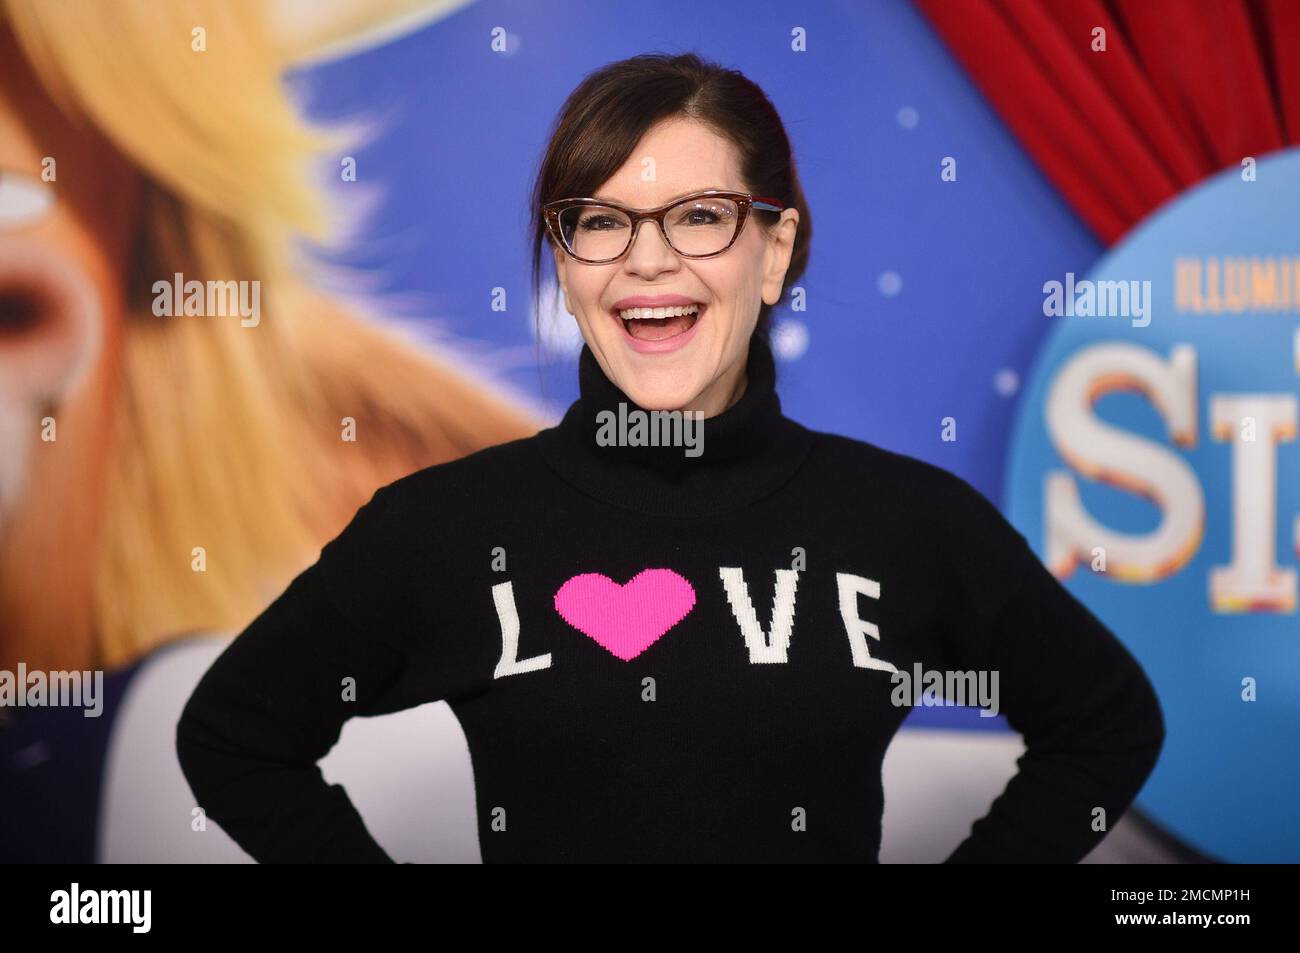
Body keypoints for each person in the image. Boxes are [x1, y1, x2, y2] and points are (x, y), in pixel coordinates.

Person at [176, 51, 1165, 863]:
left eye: (699, 216)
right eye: (600, 222)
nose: (647, 260)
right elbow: (231, 738)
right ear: (566, 271)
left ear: (773, 252)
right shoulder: (447, 526)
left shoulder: (907, 521)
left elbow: (1107, 722)